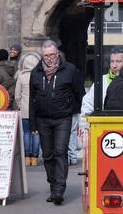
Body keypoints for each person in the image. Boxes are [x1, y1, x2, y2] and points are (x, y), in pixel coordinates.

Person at [29, 39, 84, 204]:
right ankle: (53, 185)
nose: (50, 58)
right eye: (46, 56)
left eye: (52, 55)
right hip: (43, 119)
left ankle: (59, 189)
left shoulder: (70, 70)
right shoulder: (36, 72)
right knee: (47, 155)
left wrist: (73, 111)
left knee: (60, 152)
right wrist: (33, 123)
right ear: (42, 56)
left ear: (57, 53)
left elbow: (79, 93)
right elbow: (32, 99)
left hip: (63, 118)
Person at [14, 51, 41, 165]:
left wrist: (20, 105)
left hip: (25, 108)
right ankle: (35, 158)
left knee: (26, 133)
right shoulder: (40, 75)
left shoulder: (21, 76)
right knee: (36, 132)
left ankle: (26, 157)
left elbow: (17, 94)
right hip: (37, 109)